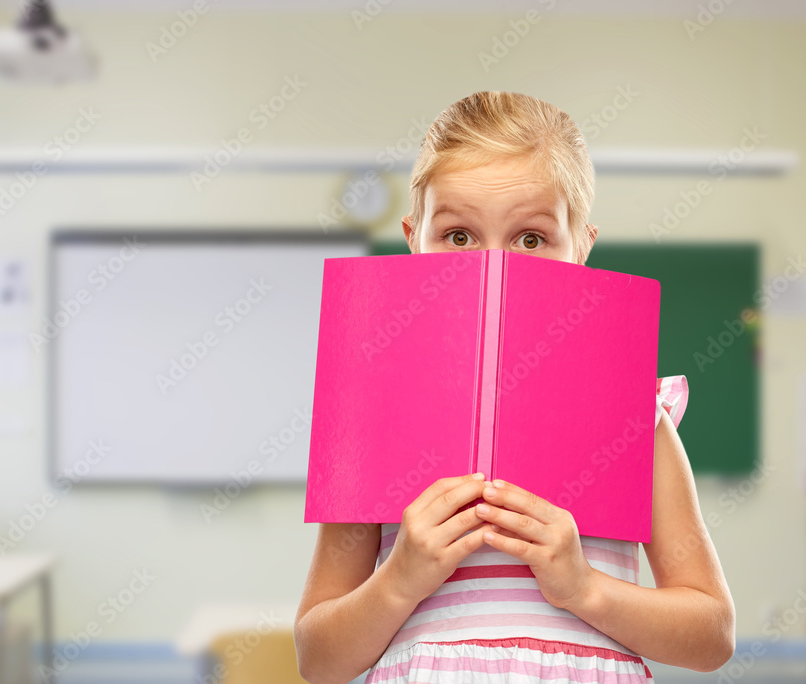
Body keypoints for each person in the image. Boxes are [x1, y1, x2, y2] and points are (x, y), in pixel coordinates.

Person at [294, 91, 735, 684]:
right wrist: (399, 578)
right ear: (412, 240)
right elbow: (318, 661)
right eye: (458, 236)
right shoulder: (375, 414)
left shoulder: (635, 413)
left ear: (581, 245)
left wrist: (582, 586)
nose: (493, 267)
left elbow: (712, 636)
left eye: (531, 238)